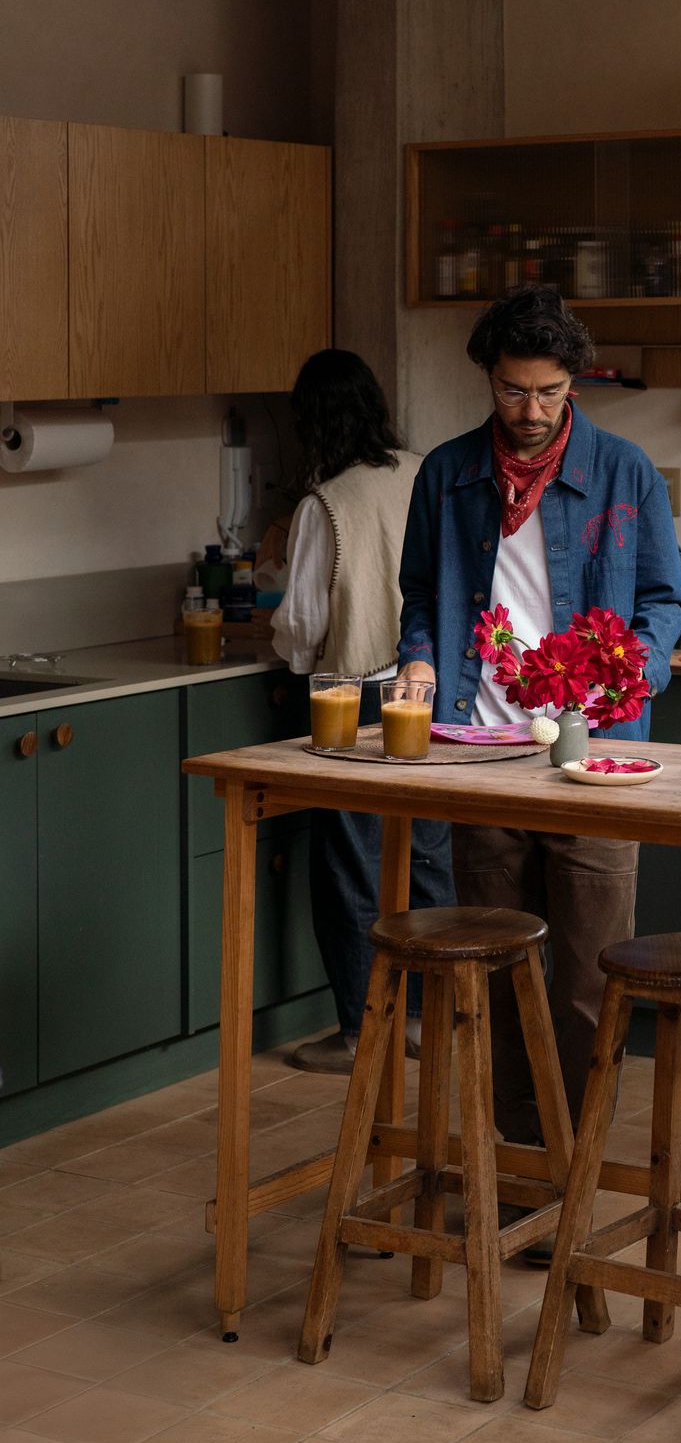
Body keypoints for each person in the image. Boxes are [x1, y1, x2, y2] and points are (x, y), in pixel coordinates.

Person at [397, 283, 681, 1152]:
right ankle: (522, 1164)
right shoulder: (447, 475)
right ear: (489, 379)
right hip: (483, 749)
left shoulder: (625, 472)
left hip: (595, 757)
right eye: (512, 390)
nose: (530, 412)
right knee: (499, 975)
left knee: (591, 980)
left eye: (550, 392)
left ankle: (580, 1160)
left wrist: (635, 665)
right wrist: (418, 653)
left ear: (576, 382)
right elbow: (420, 595)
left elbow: (665, 602)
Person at [272, 349, 455, 1073]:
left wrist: (285, 654)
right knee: (429, 858)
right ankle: (429, 1017)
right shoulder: (422, 472)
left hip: (349, 696)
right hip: (426, 684)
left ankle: (360, 1032)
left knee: (351, 867)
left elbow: (303, 624)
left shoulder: (326, 504)